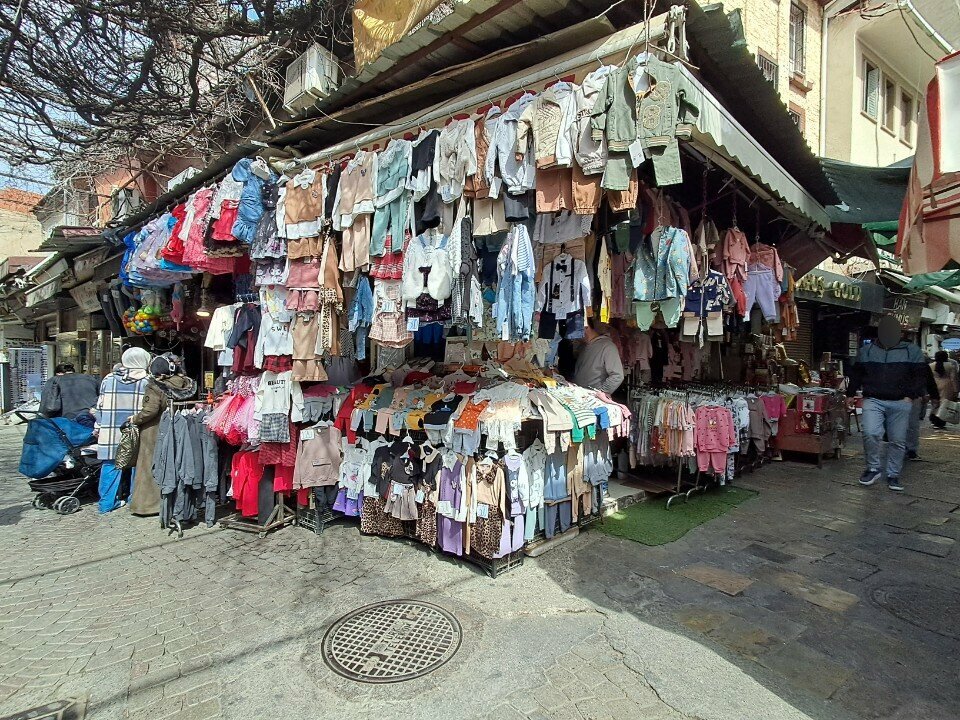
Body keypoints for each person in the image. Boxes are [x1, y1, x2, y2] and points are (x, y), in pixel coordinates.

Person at [847, 315, 930, 492]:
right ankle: (873, 468)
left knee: (898, 440)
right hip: (873, 399)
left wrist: (910, 395)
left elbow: (921, 375)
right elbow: (856, 375)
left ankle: (893, 474)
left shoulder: (912, 351)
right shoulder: (867, 350)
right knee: (870, 432)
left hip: (901, 401)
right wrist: (850, 394)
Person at [126, 354, 198, 517]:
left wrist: (135, 419)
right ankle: (176, 502)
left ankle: (148, 505)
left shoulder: (155, 387)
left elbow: (150, 411)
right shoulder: (185, 384)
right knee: (177, 465)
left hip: (155, 430)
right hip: (180, 428)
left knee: (150, 466)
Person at [94, 348, 151, 513]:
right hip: (135, 429)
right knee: (136, 465)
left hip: (110, 429)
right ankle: (134, 499)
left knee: (110, 464)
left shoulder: (109, 379)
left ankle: (106, 503)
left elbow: (100, 406)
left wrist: (98, 425)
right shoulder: (147, 381)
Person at [574, 318, 625, 394]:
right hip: (580, 394)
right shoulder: (584, 346)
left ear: (586, 327)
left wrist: (602, 392)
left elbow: (617, 375)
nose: (574, 337)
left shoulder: (608, 347)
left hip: (593, 397)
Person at [929, 350, 959, 429]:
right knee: (944, 404)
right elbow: (953, 379)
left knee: (935, 402)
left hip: (934, 385)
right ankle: (940, 421)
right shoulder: (951, 366)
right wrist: (956, 390)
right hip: (947, 386)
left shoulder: (931, 365)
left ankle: (933, 419)